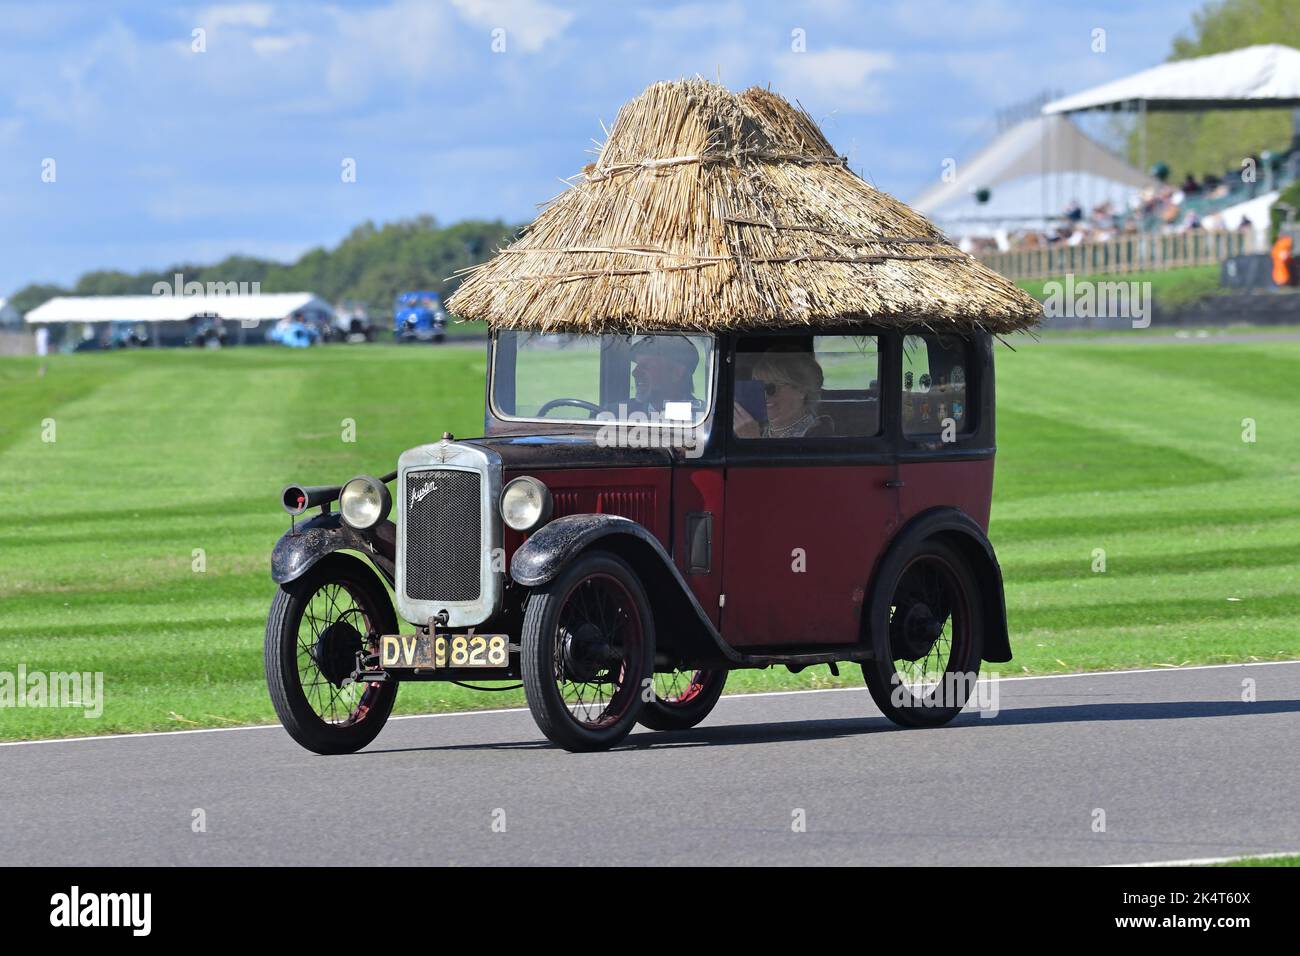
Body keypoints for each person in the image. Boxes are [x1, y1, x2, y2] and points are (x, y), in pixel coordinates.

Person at [734, 350, 832, 439]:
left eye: (771, 388)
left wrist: (751, 440)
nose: (764, 395)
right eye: (758, 387)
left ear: (801, 390)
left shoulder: (816, 435)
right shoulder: (757, 429)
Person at [623, 335, 703, 418]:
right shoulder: (618, 414)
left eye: (646, 365)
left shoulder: (702, 416)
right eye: (637, 365)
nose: (635, 372)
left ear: (677, 373)